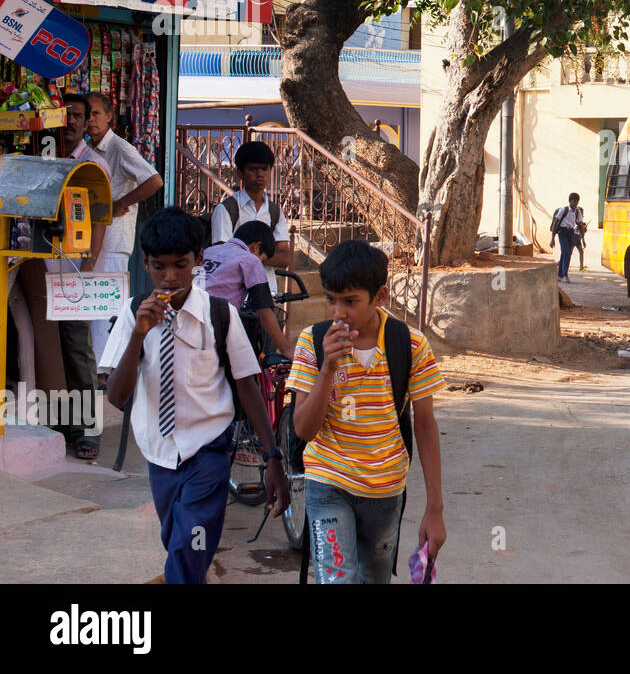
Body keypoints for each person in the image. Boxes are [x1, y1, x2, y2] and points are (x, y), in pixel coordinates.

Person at [99, 207, 288, 584]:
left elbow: (246, 385)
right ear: (146, 263)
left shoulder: (221, 315)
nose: (170, 277)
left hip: (207, 452)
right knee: (179, 543)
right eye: (159, 266)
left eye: (180, 265)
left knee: (191, 546)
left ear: (199, 260)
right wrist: (139, 334)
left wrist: (272, 457)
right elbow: (117, 397)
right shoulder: (133, 313)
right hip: (159, 454)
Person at [287, 240, 447, 584]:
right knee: (337, 579)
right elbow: (303, 429)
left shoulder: (410, 344)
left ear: (380, 297)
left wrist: (435, 510)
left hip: (385, 489)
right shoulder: (312, 342)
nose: (338, 312)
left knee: (375, 579)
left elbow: (426, 427)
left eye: (350, 301)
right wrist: (327, 369)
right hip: (328, 480)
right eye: (331, 299)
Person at [49, 93, 109, 458]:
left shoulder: (92, 163)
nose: (69, 121)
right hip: (40, 266)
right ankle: (63, 423)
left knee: (77, 349)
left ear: (87, 122)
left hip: (74, 269)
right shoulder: (46, 158)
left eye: (76, 116)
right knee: (50, 348)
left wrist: (86, 269)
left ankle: (89, 431)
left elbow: (100, 220)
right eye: (65, 115)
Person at [85, 91, 163, 364]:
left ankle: (108, 366)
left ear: (109, 117)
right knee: (95, 302)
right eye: (88, 114)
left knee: (106, 304)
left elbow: (154, 180)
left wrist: (120, 202)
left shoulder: (120, 148)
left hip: (115, 236)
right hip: (97, 236)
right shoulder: (91, 149)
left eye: (96, 114)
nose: (91, 120)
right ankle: (99, 364)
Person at [198, 220, 293, 357]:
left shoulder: (209, 251)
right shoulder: (250, 260)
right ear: (256, 246)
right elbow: (263, 311)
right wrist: (286, 349)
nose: (259, 261)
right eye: (261, 258)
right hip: (214, 326)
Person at [209, 140, 291, 291]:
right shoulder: (227, 210)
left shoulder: (275, 211)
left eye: (264, 169)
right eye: (253, 169)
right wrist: (262, 255)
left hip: (267, 290)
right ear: (240, 173)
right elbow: (223, 257)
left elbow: (284, 257)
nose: (260, 175)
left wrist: (248, 255)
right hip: (235, 292)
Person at [550, 192, 583, 283]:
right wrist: (552, 239)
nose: (575, 203)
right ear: (569, 201)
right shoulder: (563, 210)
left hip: (571, 232)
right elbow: (555, 223)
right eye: (573, 201)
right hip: (562, 232)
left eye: (577, 201)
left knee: (566, 254)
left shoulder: (577, 211)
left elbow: (580, 225)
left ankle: (560, 275)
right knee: (566, 252)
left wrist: (583, 239)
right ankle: (565, 274)